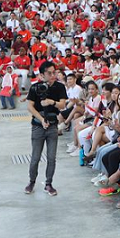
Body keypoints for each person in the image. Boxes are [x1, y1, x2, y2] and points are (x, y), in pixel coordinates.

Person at [25, 60, 67, 196]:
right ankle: (32, 181)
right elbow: (30, 106)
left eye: (54, 72)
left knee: (51, 157)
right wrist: (41, 119)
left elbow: (62, 105)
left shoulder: (60, 87)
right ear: (42, 74)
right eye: (49, 73)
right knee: (35, 157)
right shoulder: (35, 87)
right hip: (38, 125)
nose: (53, 75)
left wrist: (51, 102)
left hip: (53, 125)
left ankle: (48, 183)